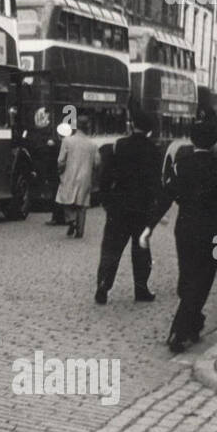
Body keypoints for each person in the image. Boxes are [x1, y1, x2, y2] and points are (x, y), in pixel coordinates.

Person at [143, 110, 217, 353]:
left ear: (193, 141)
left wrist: (149, 227)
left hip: (185, 228)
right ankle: (181, 329)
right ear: (214, 141)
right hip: (216, 232)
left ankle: (193, 322)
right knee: (205, 277)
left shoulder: (181, 166)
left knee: (188, 275)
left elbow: (165, 198)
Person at [95, 105, 163, 304]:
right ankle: (141, 289)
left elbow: (105, 176)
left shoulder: (118, 146)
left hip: (118, 207)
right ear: (149, 129)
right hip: (142, 208)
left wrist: (106, 200)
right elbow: (156, 183)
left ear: (132, 125)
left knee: (111, 248)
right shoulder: (153, 150)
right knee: (141, 249)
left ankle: (103, 285)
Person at [56, 115, 99, 239]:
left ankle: (72, 220)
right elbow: (97, 163)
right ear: (87, 128)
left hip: (69, 175)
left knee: (65, 199)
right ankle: (80, 231)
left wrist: (61, 170)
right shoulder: (92, 144)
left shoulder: (67, 141)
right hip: (85, 177)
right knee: (82, 203)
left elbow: (60, 160)